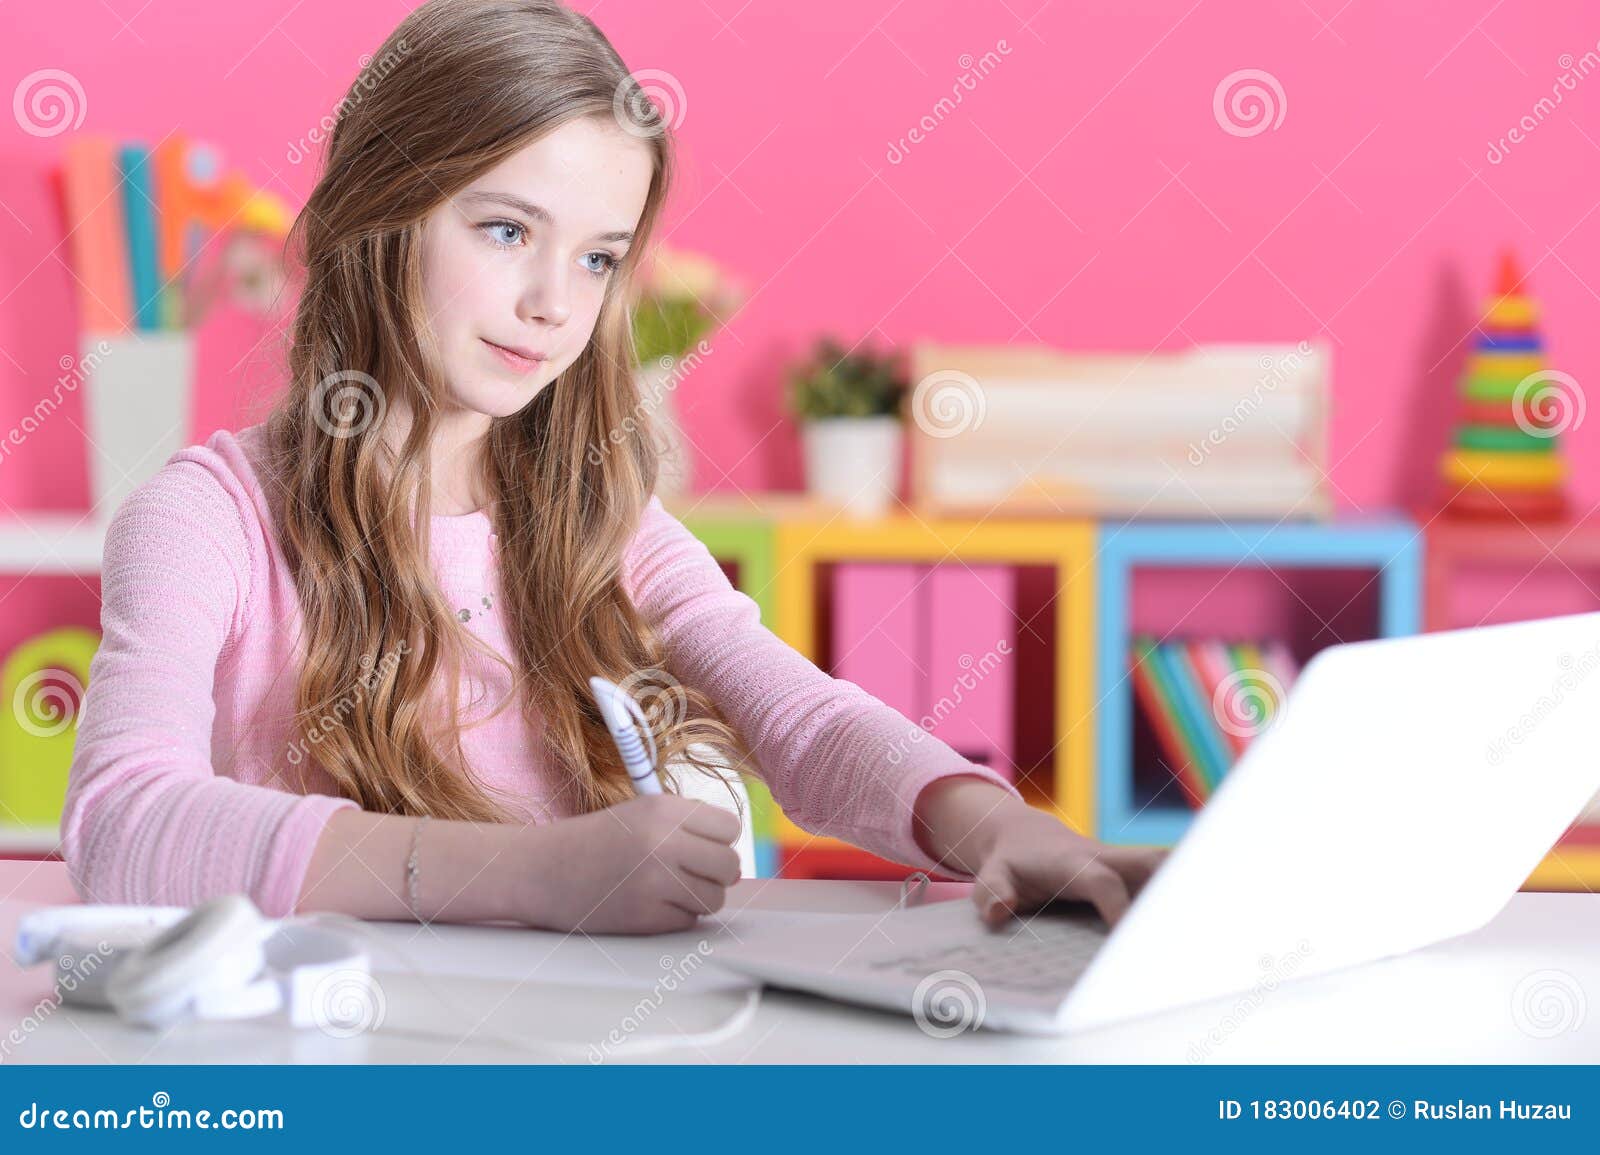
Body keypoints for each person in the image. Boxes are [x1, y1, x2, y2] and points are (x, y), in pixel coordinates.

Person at [63, 0, 1166, 936]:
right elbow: (121, 820)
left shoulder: (603, 523)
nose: (556, 302)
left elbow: (806, 722)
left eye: (598, 257)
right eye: (506, 230)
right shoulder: (208, 520)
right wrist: (534, 873)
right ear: (378, 212)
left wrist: (998, 826)